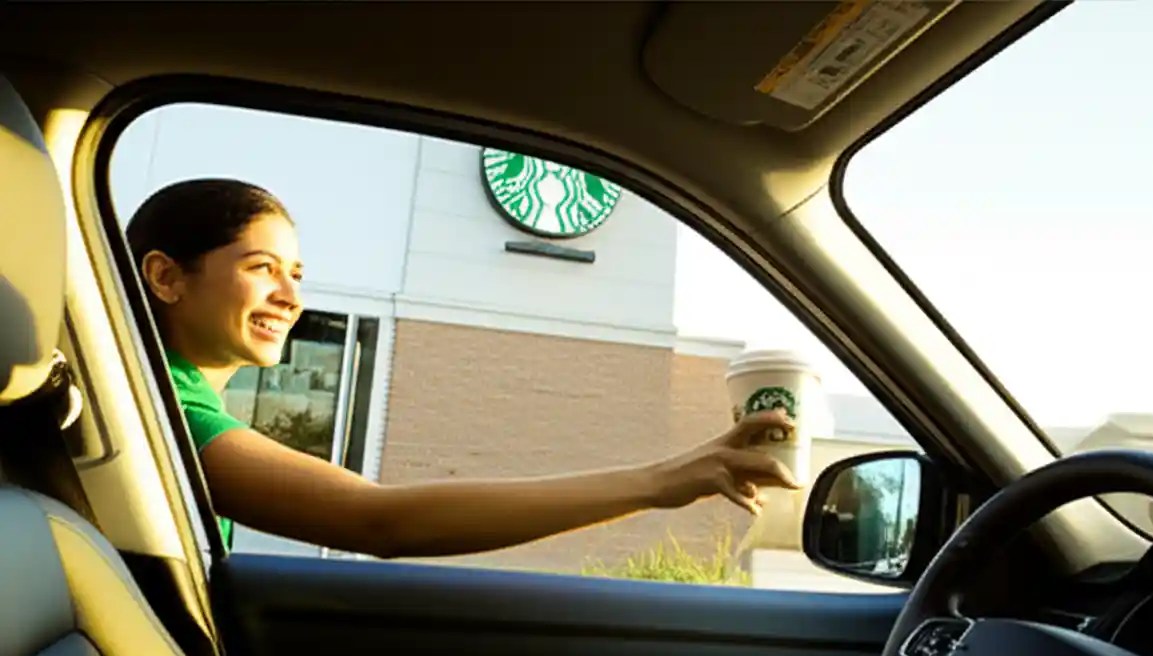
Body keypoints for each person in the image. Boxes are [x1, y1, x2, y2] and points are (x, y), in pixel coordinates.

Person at [126, 178, 801, 558]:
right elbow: (378, 522)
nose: (292, 296)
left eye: (296, 273)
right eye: (260, 268)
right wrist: (661, 481)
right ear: (165, 276)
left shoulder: (164, 400)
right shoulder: (166, 413)